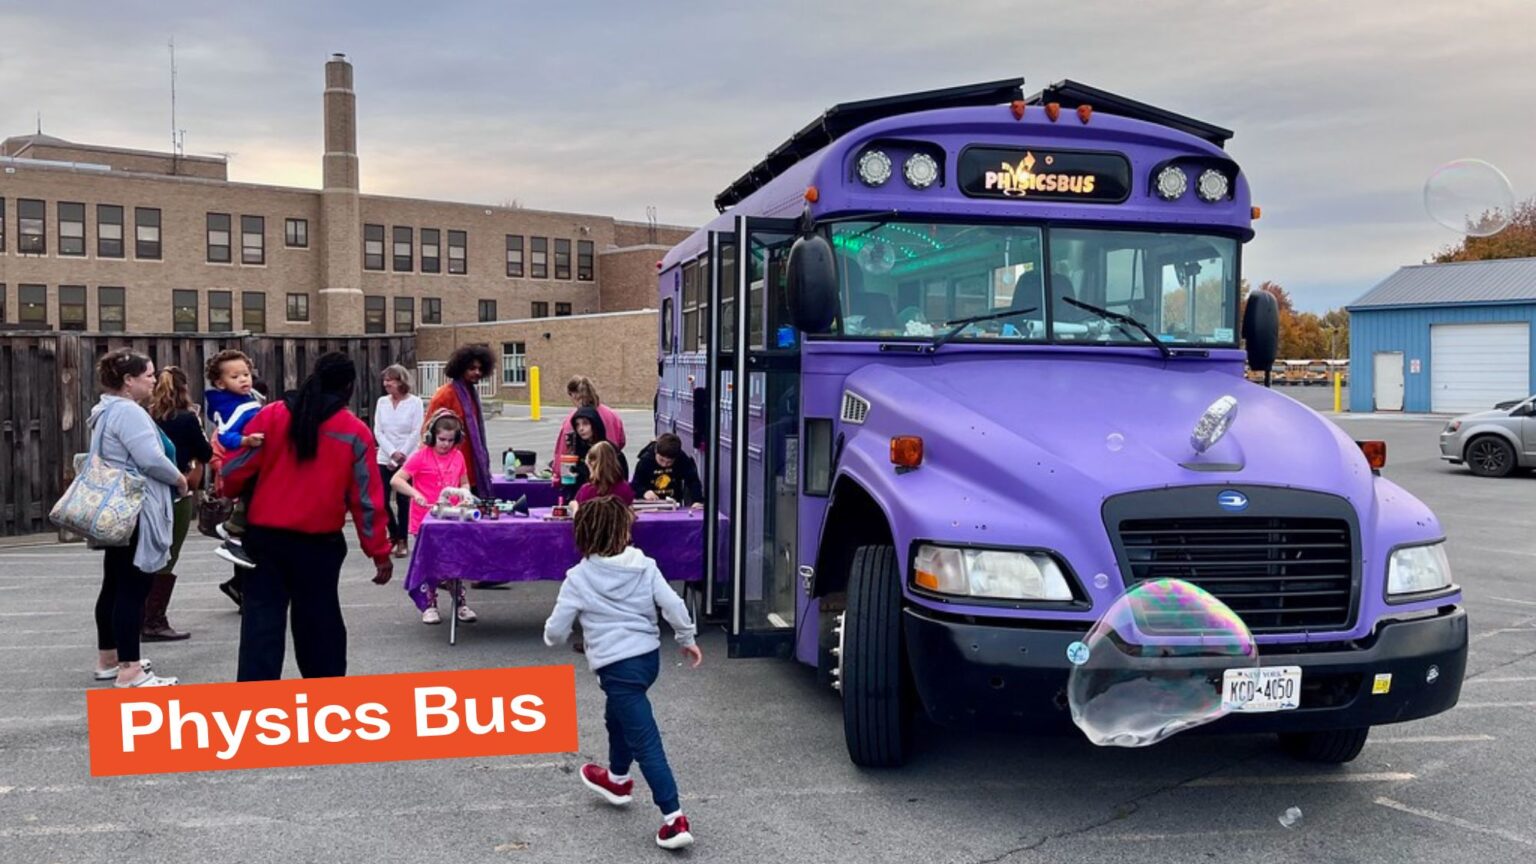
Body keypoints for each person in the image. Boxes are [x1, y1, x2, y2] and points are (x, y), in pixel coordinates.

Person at [221, 352, 393, 681]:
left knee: (261, 628)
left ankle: (252, 711)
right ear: (349, 387)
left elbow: (234, 470)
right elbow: (367, 500)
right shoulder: (354, 432)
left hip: (265, 541)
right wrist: (379, 552)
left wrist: (232, 492)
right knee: (320, 626)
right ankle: (325, 707)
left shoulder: (271, 415)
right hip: (318, 545)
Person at [543, 496, 702, 851]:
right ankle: (616, 779)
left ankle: (674, 819)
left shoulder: (578, 577)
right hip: (647, 660)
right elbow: (673, 605)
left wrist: (551, 637)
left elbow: (556, 630)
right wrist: (686, 637)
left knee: (645, 740)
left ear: (583, 534)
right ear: (625, 529)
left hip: (616, 668)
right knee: (616, 717)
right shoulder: (644, 565)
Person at [89, 348, 187, 688]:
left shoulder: (104, 411)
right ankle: (130, 670)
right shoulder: (129, 413)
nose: (153, 380)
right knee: (134, 588)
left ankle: (109, 658)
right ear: (128, 381)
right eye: (148, 375)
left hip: (116, 511)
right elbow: (149, 458)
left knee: (113, 586)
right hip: (137, 508)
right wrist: (179, 479)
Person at [143, 366, 213, 642]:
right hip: (178, 489)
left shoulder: (147, 417)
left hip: (149, 491)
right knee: (169, 553)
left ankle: (139, 615)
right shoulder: (186, 419)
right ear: (185, 389)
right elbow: (205, 453)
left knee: (146, 553)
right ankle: (155, 620)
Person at [390, 410, 478, 625]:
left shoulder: (458, 457)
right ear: (431, 437)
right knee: (428, 563)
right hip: (425, 520)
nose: (446, 444)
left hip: (452, 518)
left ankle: (460, 602)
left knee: (455, 561)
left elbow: (464, 482)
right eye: (441, 439)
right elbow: (396, 480)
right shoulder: (420, 456)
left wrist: (466, 495)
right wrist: (415, 493)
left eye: (450, 440)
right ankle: (429, 605)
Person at [205, 349, 264, 570]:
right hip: (242, 458)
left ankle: (230, 529)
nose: (243, 379)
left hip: (250, 457)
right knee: (252, 494)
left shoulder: (247, 398)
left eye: (246, 374)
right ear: (220, 383)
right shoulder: (231, 408)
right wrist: (246, 440)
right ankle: (233, 535)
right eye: (235, 376)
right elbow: (225, 436)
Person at [424, 345, 495, 497]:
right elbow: (427, 432)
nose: (477, 372)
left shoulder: (471, 393)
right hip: (451, 470)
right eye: (472, 368)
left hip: (472, 470)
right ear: (460, 368)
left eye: (480, 369)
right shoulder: (445, 394)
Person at [373, 364, 423, 558]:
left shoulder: (415, 403)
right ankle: (392, 534)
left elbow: (415, 431)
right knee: (381, 500)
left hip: (408, 457)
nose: (386, 384)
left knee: (403, 501)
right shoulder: (382, 402)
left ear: (401, 381)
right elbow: (378, 431)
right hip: (384, 456)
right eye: (385, 380)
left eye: (390, 380)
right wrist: (392, 452)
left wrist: (401, 453)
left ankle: (402, 539)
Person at [552, 376, 627, 482]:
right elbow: (621, 442)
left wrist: (558, 475)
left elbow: (563, 452)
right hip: (611, 474)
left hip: (583, 478)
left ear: (574, 396)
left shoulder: (572, 420)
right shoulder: (613, 415)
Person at [630, 433, 703, 506]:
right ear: (656, 452)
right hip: (649, 504)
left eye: (669, 462)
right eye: (661, 460)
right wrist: (644, 492)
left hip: (674, 503)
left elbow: (693, 481)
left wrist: (697, 500)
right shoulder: (645, 461)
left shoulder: (682, 459)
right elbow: (635, 484)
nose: (664, 464)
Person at [570, 406, 629, 489]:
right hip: (580, 497)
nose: (581, 428)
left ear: (595, 424)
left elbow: (622, 481)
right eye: (577, 425)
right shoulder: (576, 450)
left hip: (608, 496)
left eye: (585, 423)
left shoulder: (610, 450)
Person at [572, 441, 635, 512]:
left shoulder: (586, 491)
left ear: (592, 466)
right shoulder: (625, 489)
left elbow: (580, 518)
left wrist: (575, 506)